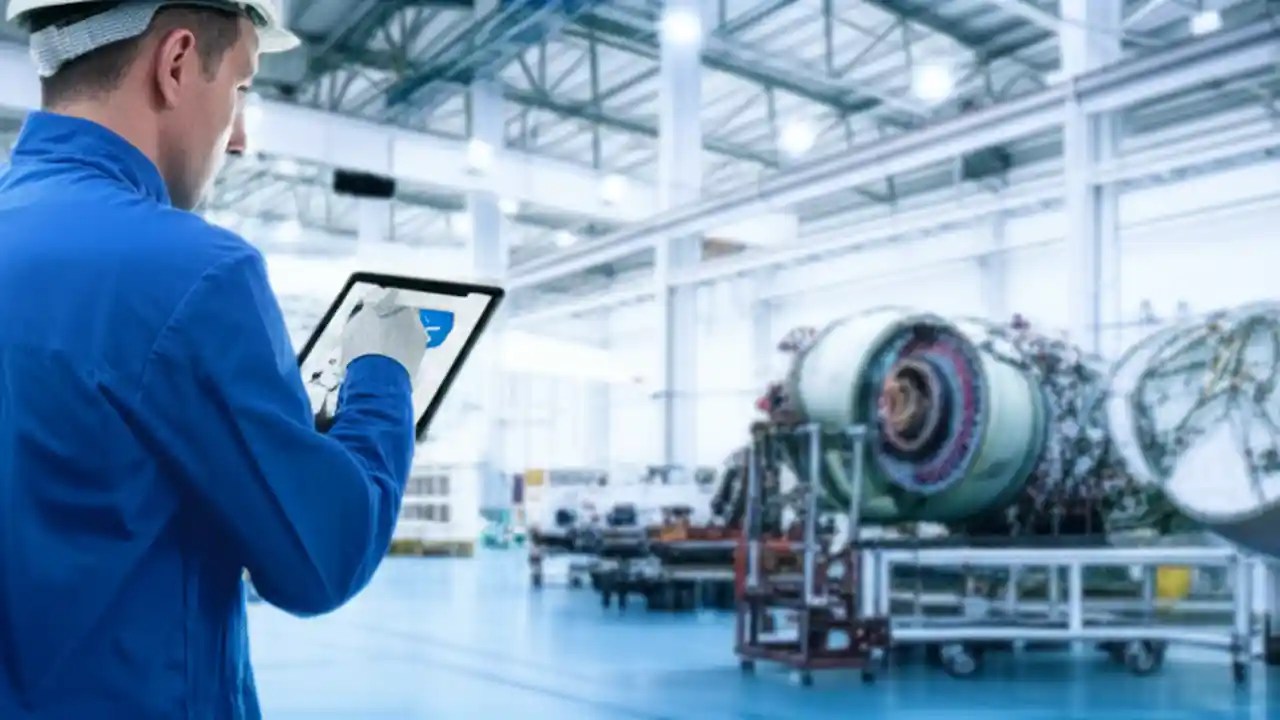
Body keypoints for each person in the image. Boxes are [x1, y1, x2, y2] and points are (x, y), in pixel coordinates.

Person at [0, 1, 429, 718]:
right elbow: (322, 556)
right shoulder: (196, 275)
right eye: (240, 89)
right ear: (175, 64)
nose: (238, 139)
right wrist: (382, 378)